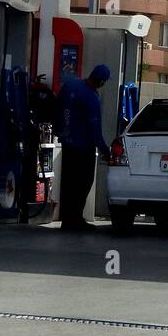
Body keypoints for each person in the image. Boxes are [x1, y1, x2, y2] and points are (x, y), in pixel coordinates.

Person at [56, 64, 112, 230]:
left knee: (67, 183)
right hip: (83, 148)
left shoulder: (70, 85)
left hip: (66, 144)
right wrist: (104, 149)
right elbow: (94, 129)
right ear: (101, 82)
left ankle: (67, 219)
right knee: (83, 182)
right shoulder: (92, 98)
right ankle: (75, 219)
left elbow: (57, 107)